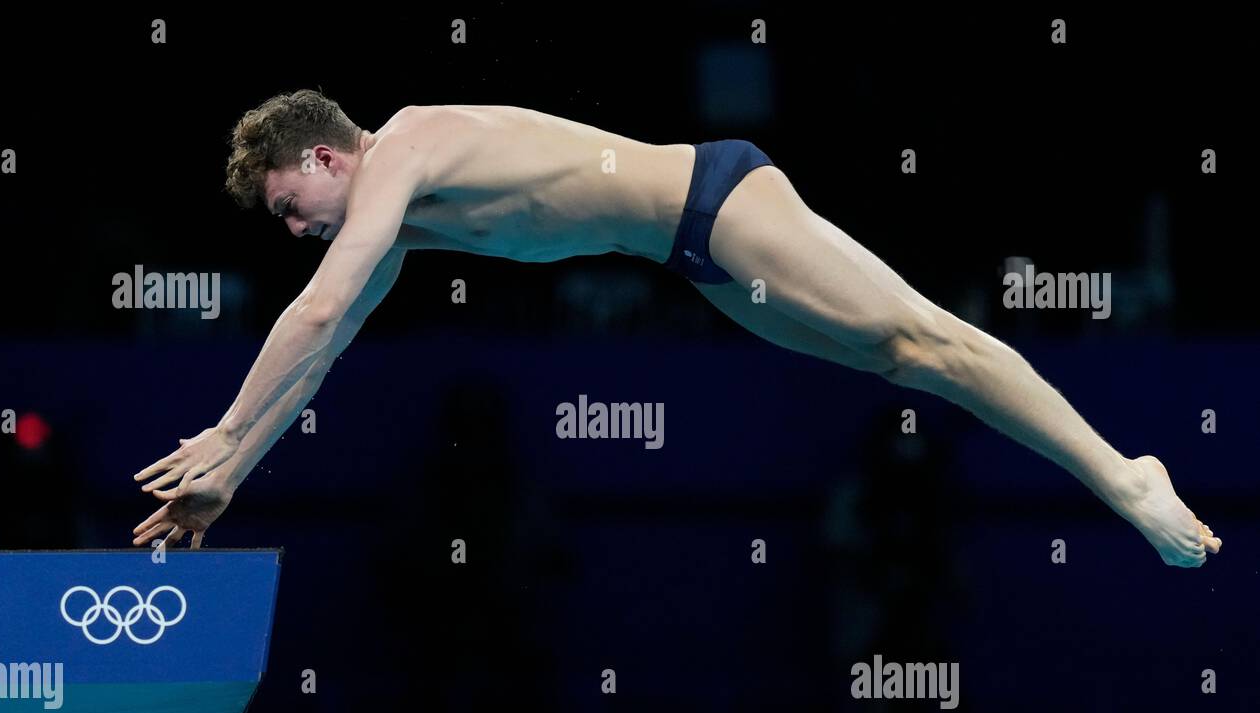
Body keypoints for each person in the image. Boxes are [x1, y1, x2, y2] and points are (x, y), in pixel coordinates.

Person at [133, 91, 1220, 567]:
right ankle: (1112, 471)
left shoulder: (408, 145)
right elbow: (321, 348)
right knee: (906, 363)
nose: (290, 228)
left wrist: (227, 430)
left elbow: (313, 308)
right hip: (694, 261)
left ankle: (1125, 474)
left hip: (718, 199)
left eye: (287, 203)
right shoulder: (403, 228)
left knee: (924, 339)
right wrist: (239, 469)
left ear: (326, 156)